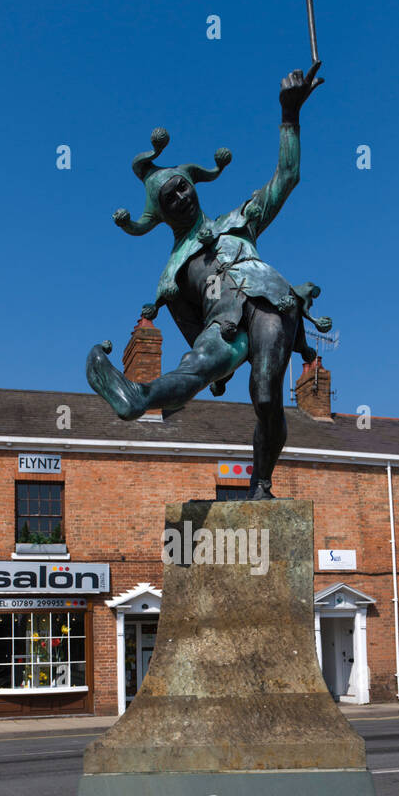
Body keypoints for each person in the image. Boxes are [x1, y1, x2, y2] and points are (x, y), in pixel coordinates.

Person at [86, 64, 331, 500]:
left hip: (270, 304)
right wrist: (213, 369)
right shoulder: (173, 273)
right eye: (169, 198)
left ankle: (261, 483)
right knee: (194, 366)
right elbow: (191, 331)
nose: (180, 197)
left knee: (265, 393)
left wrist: (288, 114)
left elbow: (288, 176)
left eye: (182, 187)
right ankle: (140, 397)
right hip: (222, 327)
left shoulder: (240, 220)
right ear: (160, 213)